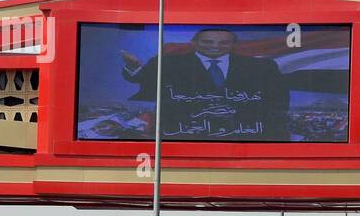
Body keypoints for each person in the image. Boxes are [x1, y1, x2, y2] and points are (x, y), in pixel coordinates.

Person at [122, 27, 290, 141]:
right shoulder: (168, 63)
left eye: (223, 43)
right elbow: (144, 79)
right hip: (186, 136)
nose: (215, 47)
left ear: (233, 45)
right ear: (194, 43)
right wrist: (134, 68)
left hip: (242, 137)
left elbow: (279, 99)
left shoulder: (260, 66)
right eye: (208, 42)